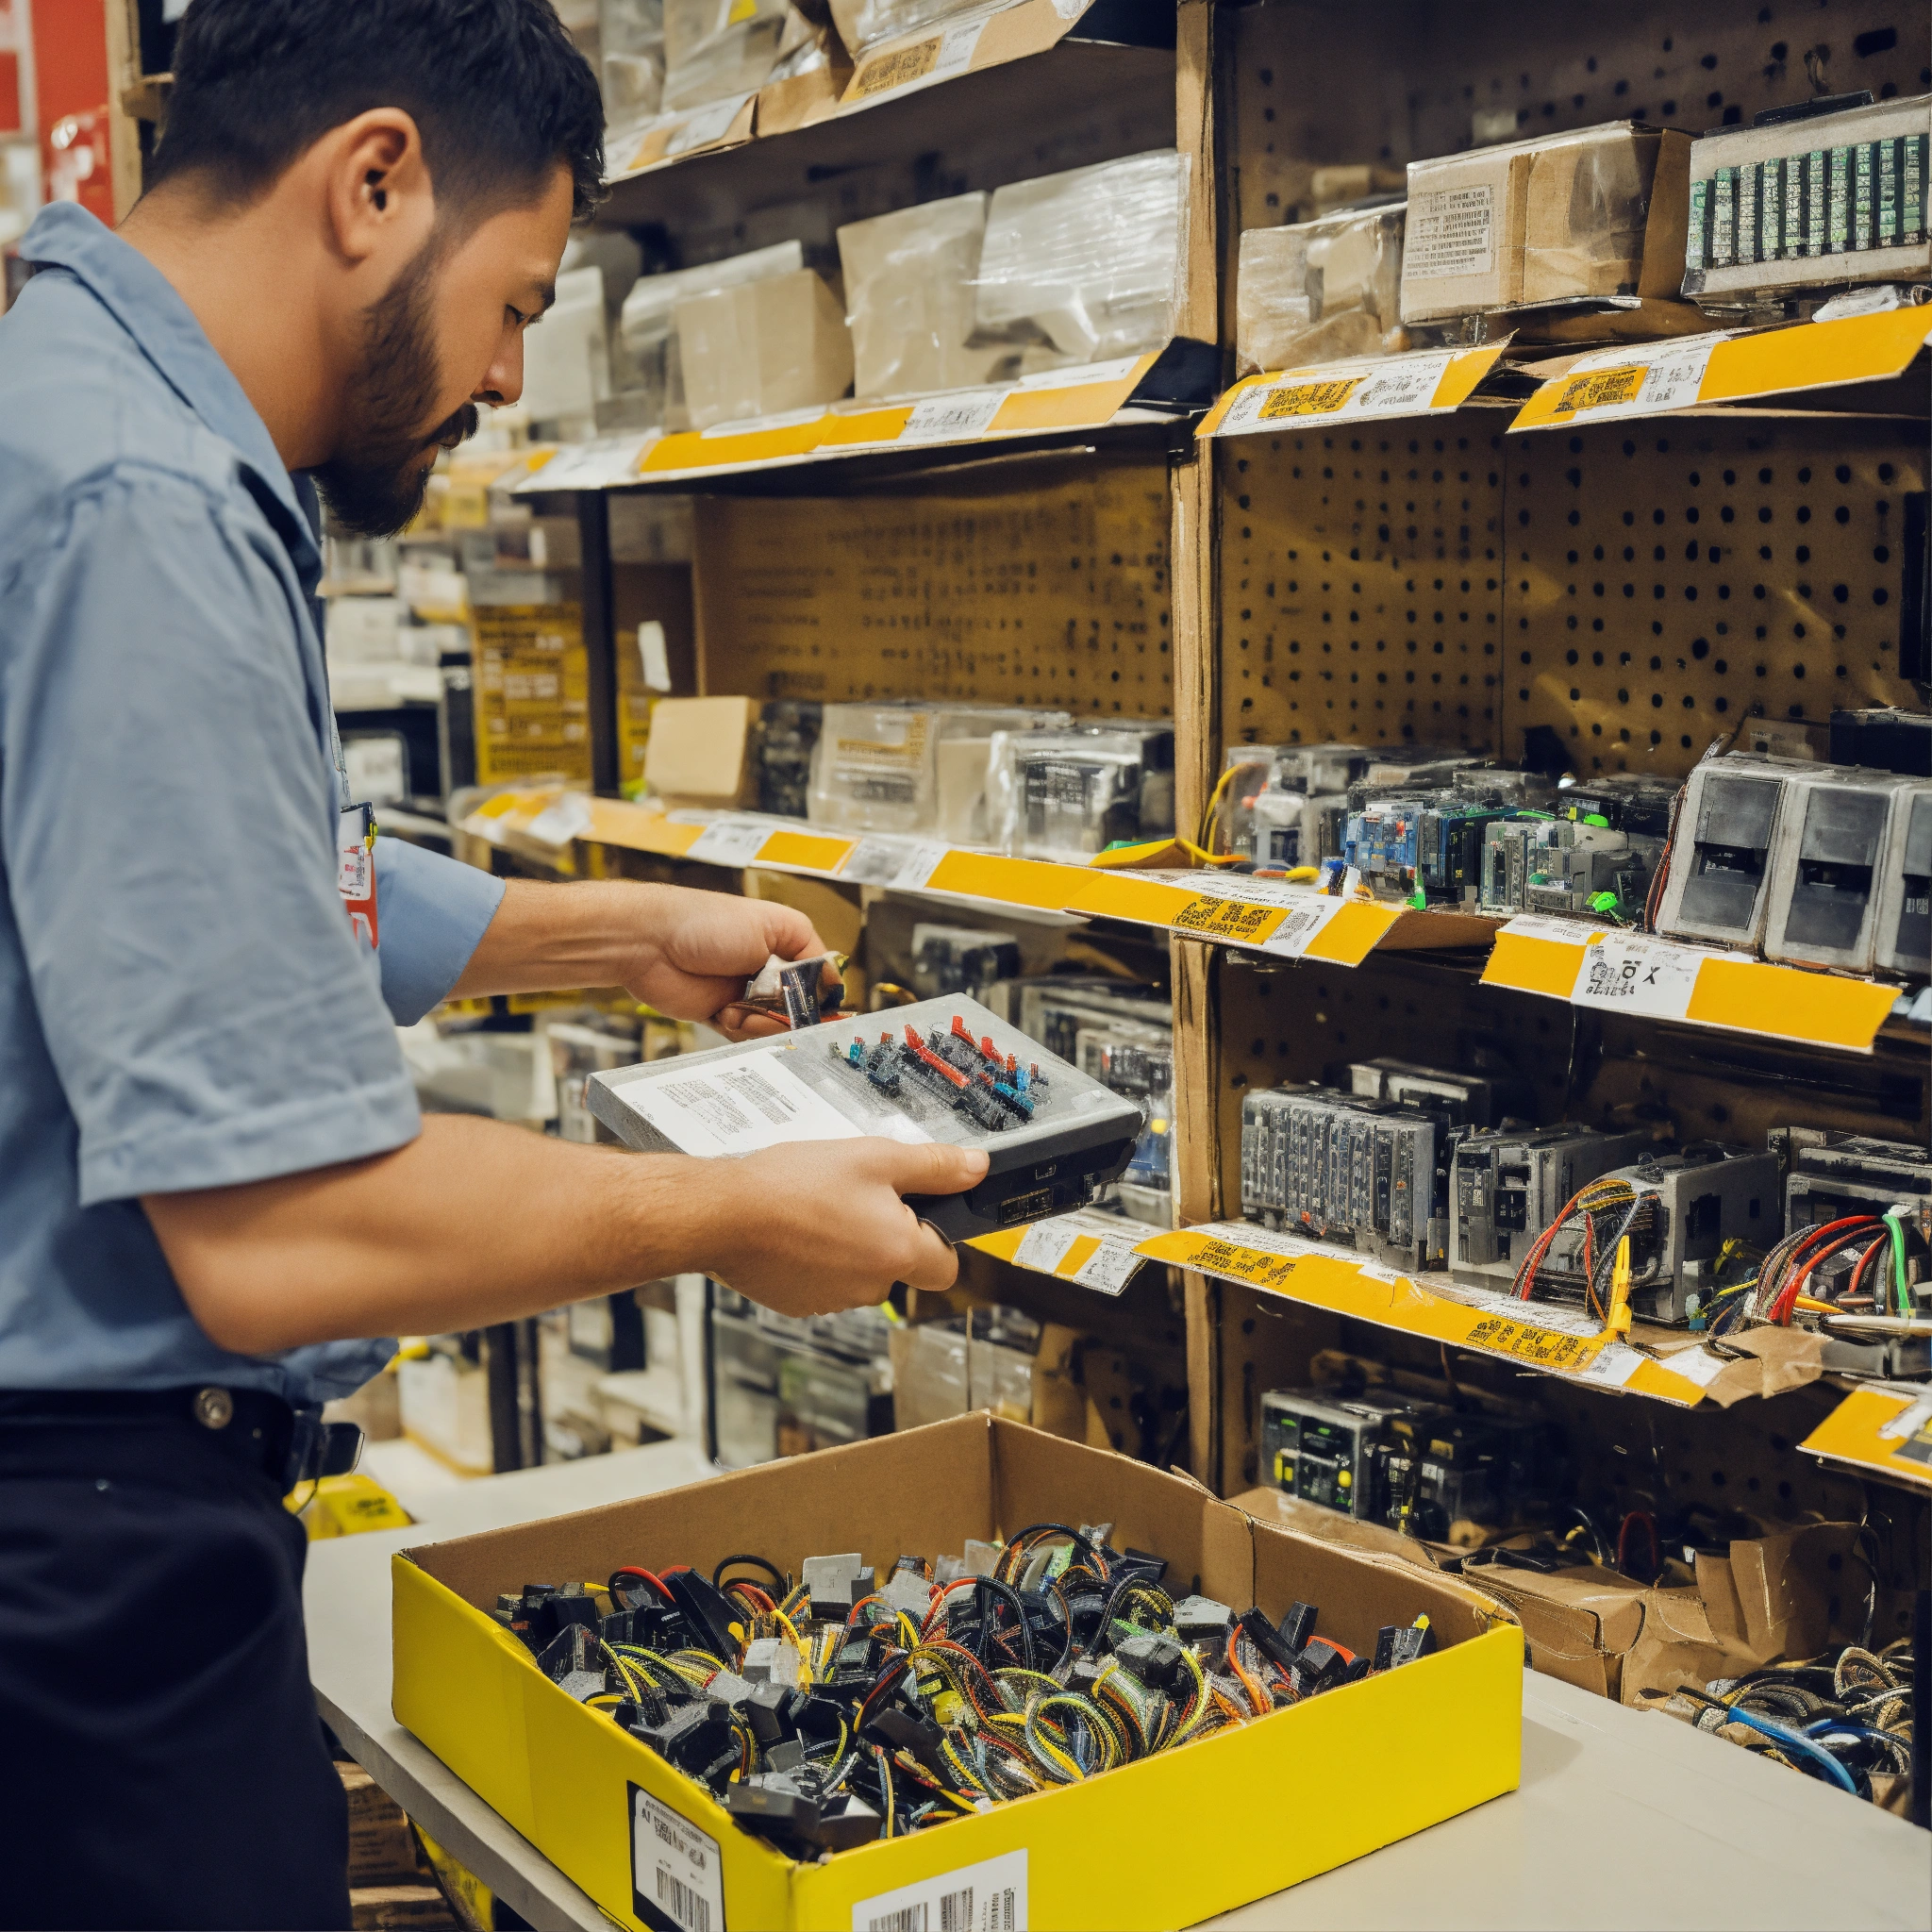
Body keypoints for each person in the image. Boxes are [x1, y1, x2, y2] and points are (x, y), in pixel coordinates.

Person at [0, 3, 985, 1924]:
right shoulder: (140, 510)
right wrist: (721, 1209)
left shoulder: (69, 408)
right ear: (373, 184)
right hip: (79, 1573)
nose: (511, 376)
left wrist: (617, 934)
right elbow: (277, 1225)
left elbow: (181, 877)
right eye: (519, 299)